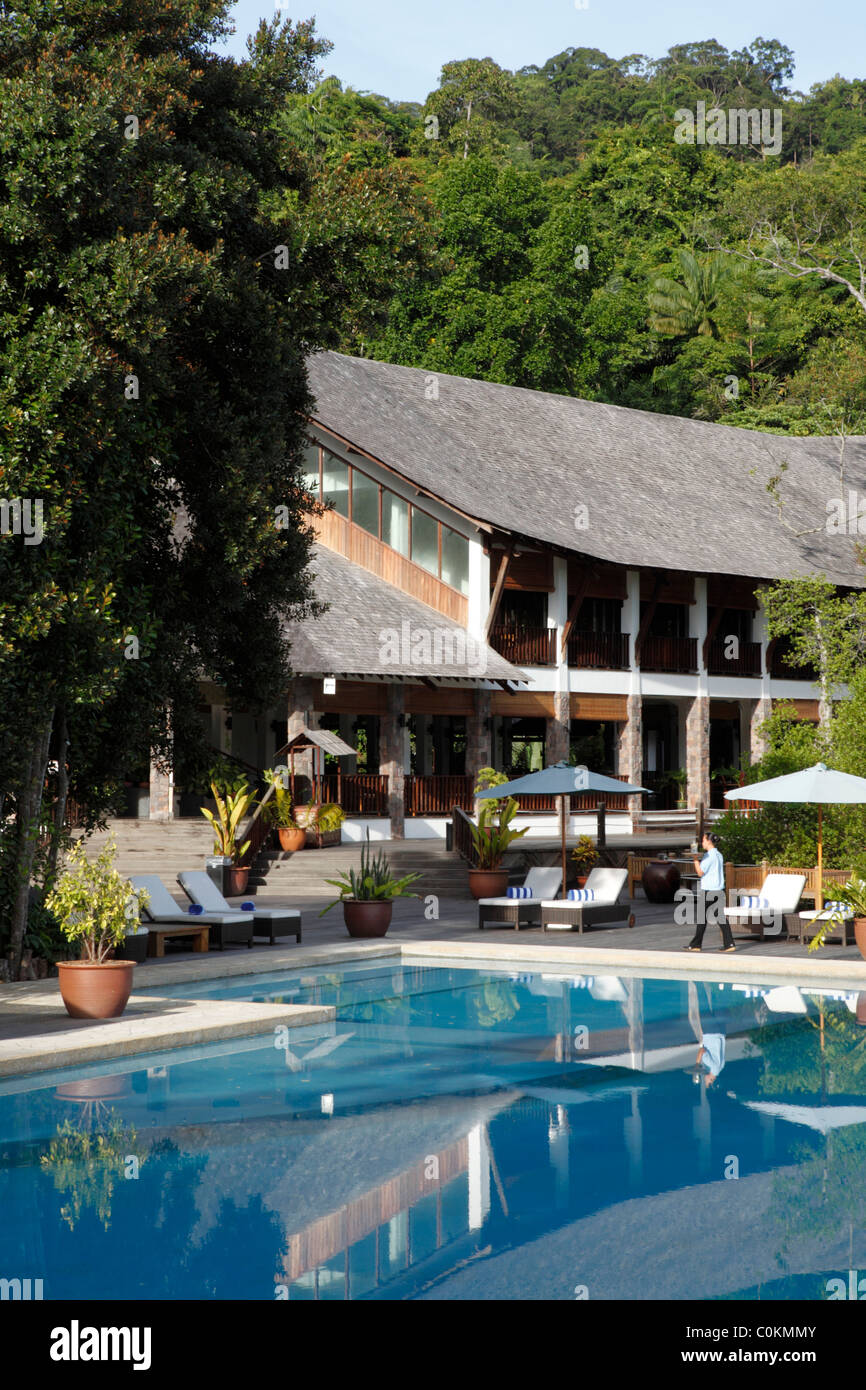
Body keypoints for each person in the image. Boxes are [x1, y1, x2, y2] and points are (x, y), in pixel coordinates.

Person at [685, 832, 735, 952]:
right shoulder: (719, 855)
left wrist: (695, 859)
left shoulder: (709, 856)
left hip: (709, 891)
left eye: (703, 840)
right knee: (721, 917)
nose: (702, 843)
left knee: (702, 917)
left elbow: (700, 872)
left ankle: (696, 944)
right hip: (719, 890)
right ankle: (729, 943)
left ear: (709, 841)